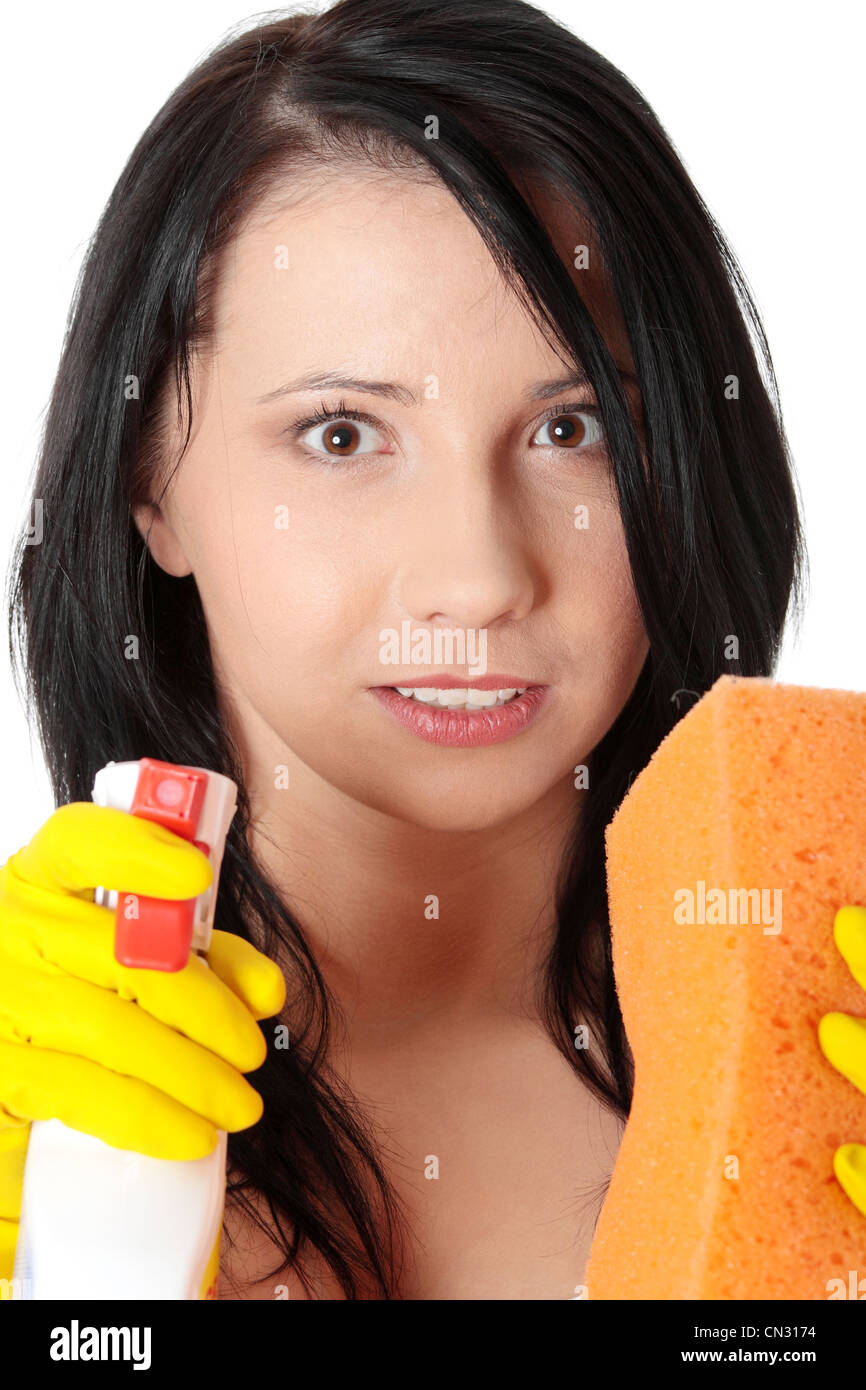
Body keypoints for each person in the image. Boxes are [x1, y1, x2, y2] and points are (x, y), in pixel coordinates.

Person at [1, 0, 860, 1301]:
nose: (475, 574)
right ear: (149, 485)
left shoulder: (824, 1051)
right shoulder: (29, 1099)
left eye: (570, 429)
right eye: (342, 434)